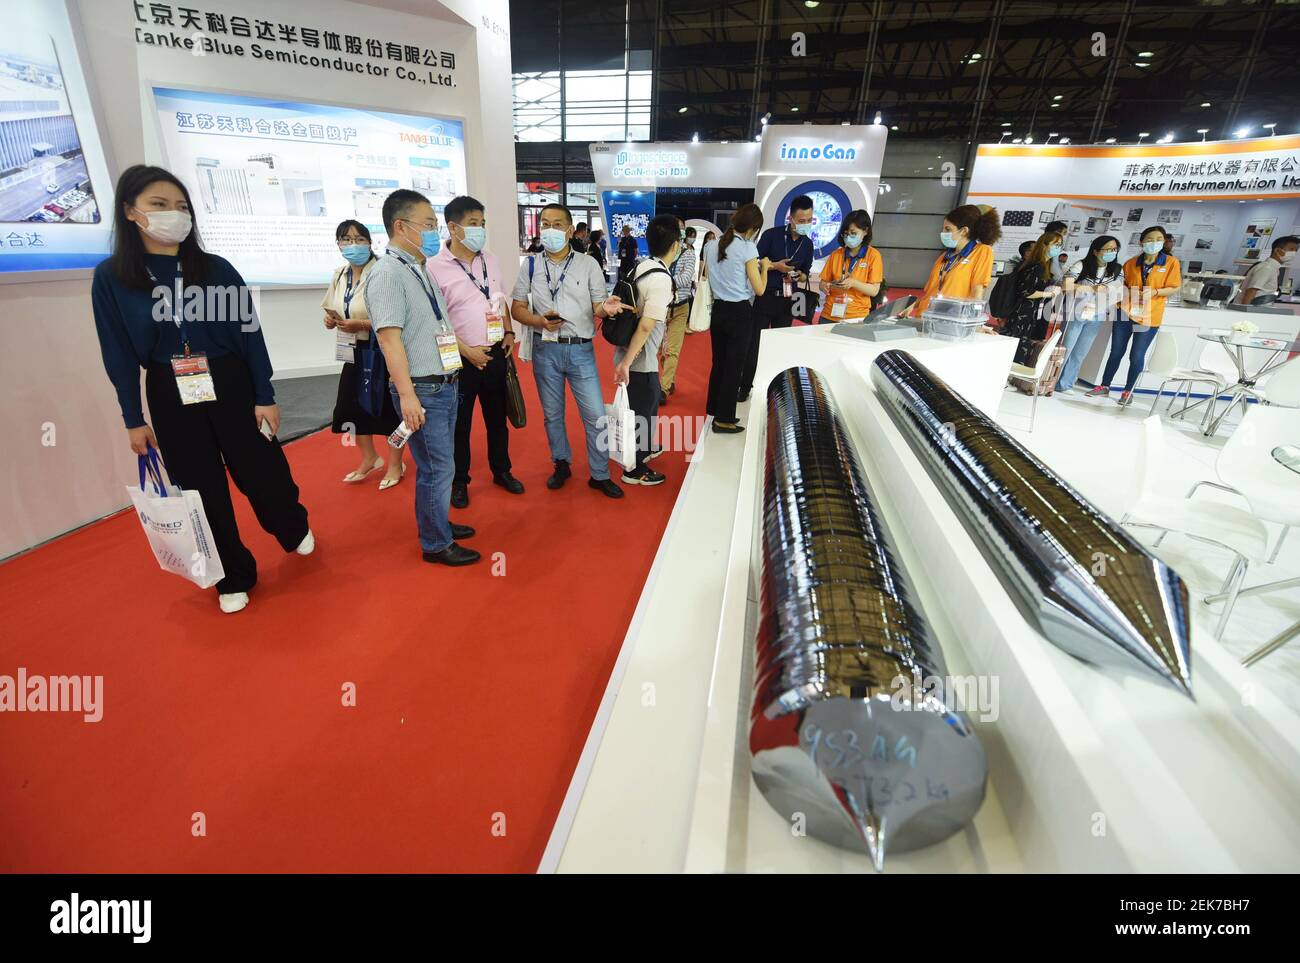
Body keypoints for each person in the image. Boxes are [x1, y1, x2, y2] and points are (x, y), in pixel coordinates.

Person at [91, 164, 312, 614]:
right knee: (199, 487)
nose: (174, 214)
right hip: (170, 390)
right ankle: (232, 575)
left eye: (181, 206)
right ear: (131, 212)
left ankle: (291, 526)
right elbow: (116, 353)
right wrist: (133, 419)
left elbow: (250, 333)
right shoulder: (112, 278)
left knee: (261, 469)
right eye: (159, 205)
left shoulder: (214, 268)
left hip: (230, 379)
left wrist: (264, 393)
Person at [368, 188, 479, 566]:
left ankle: (439, 523)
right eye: (429, 224)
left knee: (440, 464)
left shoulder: (419, 268)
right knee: (436, 467)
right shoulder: (386, 273)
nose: (435, 232)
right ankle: (435, 543)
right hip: (422, 387)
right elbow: (388, 337)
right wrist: (408, 396)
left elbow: (438, 325)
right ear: (401, 227)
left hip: (444, 382)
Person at [510, 202, 626, 497]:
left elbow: (598, 306)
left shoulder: (588, 264)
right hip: (544, 350)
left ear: (570, 229)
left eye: (557, 224)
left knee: (595, 413)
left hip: (580, 351)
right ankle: (561, 462)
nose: (550, 230)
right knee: (552, 414)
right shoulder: (531, 265)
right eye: (545, 224)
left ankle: (599, 474)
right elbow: (517, 307)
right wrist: (539, 321)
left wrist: (607, 308)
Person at [427, 194, 524, 511]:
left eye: (482, 224)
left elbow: (498, 298)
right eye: (473, 224)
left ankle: (502, 470)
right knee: (460, 425)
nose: (480, 230)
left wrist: (509, 331)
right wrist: (468, 352)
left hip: (495, 352)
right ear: (453, 228)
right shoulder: (434, 268)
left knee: (498, 418)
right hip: (460, 358)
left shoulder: (490, 259)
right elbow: (435, 322)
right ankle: (459, 482)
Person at [324, 220, 405, 490]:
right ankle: (370, 457)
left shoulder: (381, 272)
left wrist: (361, 324)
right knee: (350, 408)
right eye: (346, 239)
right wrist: (331, 320)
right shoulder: (340, 274)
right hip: (353, 350)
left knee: (392, 411)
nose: (352, 245)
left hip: (384, 350)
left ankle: (396, 463)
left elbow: (394, 316)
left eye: (359, 239)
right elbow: (332, 307)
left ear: (369, 242)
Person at [1086, 225, 1182, 406]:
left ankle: (1128, 392)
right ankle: (1104, 386)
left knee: (1137, 355)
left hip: (1150, 316)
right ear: (1141, 242)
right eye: (1150, 240)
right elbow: (1123, 286)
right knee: (1116, 352)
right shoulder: (1131, 263)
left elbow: (1175, 286)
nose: (1154, 243)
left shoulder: (1171, 263)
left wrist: (1155, 292)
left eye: (1158, 240)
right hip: (1125, 313)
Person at [614, 214, 677, 486]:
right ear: (675, 244)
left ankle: (645, 449)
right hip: (640, 358)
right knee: (643, 409)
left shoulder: (642, 266)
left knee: (646, 407)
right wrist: (627, 362)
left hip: (631, 351)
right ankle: (634, 469)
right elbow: (647, 326)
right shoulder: (661, 278)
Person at [704, 203, 770, 434]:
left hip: (718, 311)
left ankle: (713, 408)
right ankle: (724, 419)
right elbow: (759, 289)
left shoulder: (711, 246)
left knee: (719, 363)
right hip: (739, 313)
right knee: (734, 367)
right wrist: (766, 268)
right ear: (753, 228)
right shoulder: (748, 249)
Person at [742, 195, 816, 399]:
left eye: (809, 220)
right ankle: (745, 386)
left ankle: (775, 390)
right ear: (790, 218)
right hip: (765, 296)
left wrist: (800, 275)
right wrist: (776, 266)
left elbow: (805, 271)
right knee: (754, 344)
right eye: (801, 221)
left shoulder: (807, 244)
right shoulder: (771, 235)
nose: (806, 224)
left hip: (788, 299)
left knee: (780, 345)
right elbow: (754, 262)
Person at [1056, 235, 1124, 393]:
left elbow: (1119, 289)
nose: (1111, 252)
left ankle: (1066, 384)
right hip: (1075, 313)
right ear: (1095, 251)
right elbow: (1066, 286)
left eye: (1114, 249)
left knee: (1080, 352)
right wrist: (1090, 289)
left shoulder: (1117, 270)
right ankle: (1052, 380)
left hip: (1097, 315)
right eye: (1107, 249)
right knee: (1065, 349)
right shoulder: (1081, 265)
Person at [911, 204, 1001, 316]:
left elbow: (977, 292)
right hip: (924, 317)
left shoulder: (982, 252)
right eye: (943, 228)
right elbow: (931, 292)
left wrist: (975, 322)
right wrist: (912, 306)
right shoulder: (944, 256)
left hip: (950, 321)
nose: (943, 233)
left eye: (948, 229)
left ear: (964, 231)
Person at [817, 209, 884, 323]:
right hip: (829, 314)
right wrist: (825, 286)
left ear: (865, 231)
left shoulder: (873, 256)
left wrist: (853, 283)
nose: (849, 237)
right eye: (846, 234)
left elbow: (874, 291)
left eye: (853, 233)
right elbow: (822, 283)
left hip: (856, 317)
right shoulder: (836, 254)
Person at [1000, 231, 1063, 344]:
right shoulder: (1036, 265)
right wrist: (1050, 294)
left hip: (1030, 313)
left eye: (1060, 245)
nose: (1058, 248)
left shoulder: (1043, 265)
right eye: (1055, 244)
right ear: (1044, 245)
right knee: (1016, 348)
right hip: (1022, 314)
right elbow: (1027, 292)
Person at [661, 222, 697, 403]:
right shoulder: (660, 252)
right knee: (659, 351)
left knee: (673, 351)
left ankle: (663, 388)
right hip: (660, 307)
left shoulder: (689, 253)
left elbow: (685, 279)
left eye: (682, 228)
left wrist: (661, 278)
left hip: (680, 307)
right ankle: (669, 379)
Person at [1236, 235, 1298, 305]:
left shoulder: (1274, 269)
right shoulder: (1267, 268)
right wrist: (1246, 315)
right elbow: (1251, 292)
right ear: (1277, 250)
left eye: (1296, 250)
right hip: (1250, 312)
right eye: (1291, 249)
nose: (1294, 253)